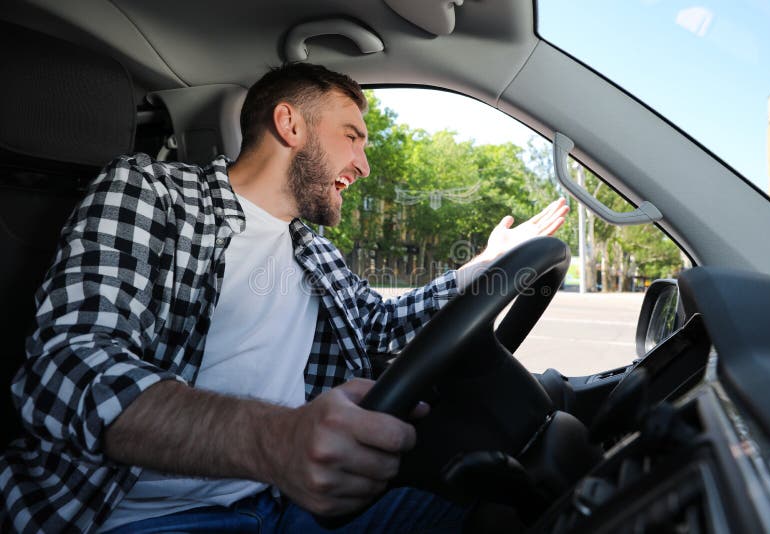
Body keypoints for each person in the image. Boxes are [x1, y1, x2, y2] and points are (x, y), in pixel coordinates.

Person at [0, 63, 568, 533]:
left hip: (287, 503)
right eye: (352, 136)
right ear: (290, 124)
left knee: (508, 507)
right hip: (137, 516)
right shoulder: (151, 192)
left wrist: (483, 265)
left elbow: (378, 325)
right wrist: (278, 441)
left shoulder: (312, 249)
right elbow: (67, 363)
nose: (364, 165)